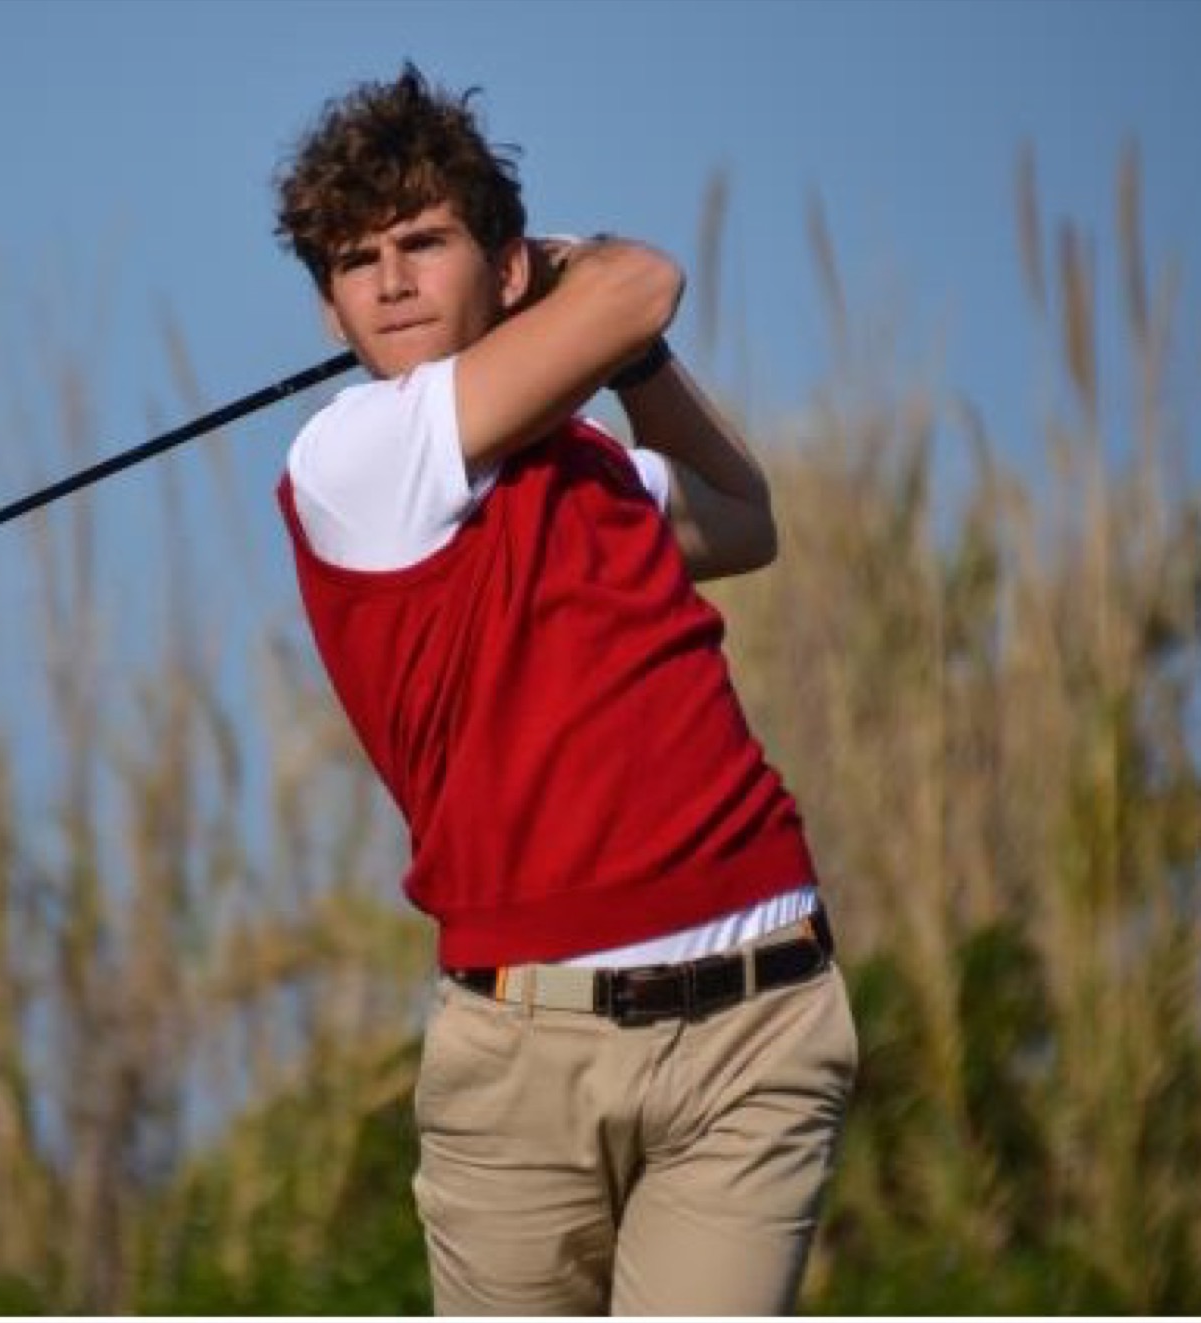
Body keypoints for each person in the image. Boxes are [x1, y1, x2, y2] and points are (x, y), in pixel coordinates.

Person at [269, 65, 858, 1315]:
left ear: (501, 269)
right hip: (521, 1059)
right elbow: (639, 280)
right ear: (330, 310)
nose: (390, 282)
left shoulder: (590, 464)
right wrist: (585, 281)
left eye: (423, 243)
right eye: (355, 262)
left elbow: (740, 517)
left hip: (756, 1017)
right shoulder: (356, 456)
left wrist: (637, 365)